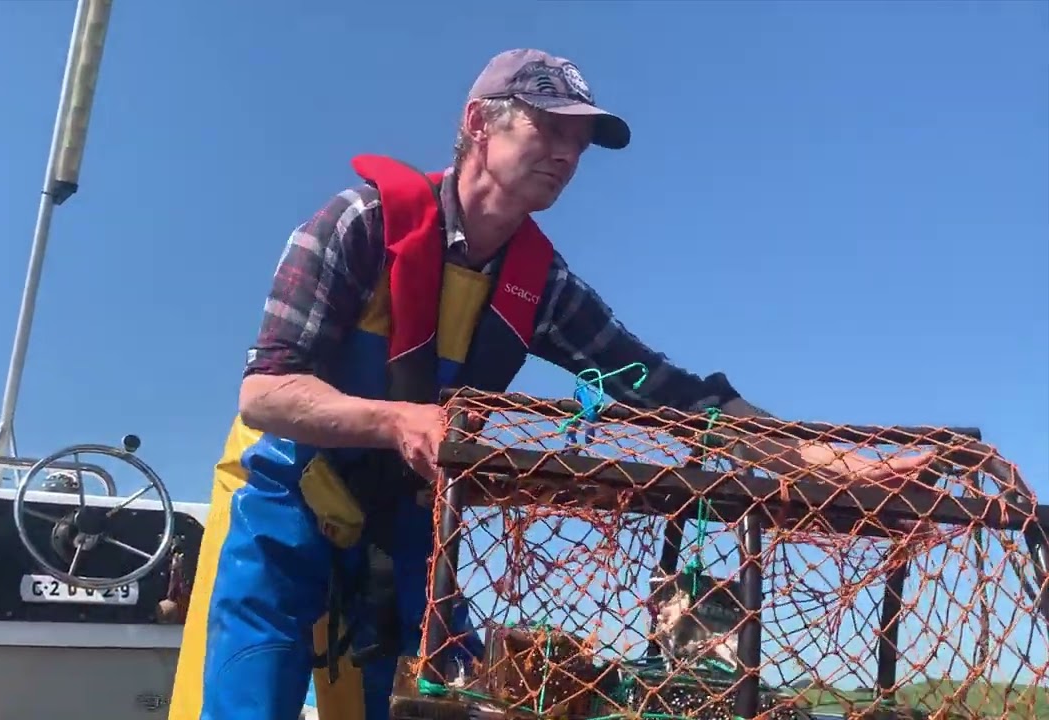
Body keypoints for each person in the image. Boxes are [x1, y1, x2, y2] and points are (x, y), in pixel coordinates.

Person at [168, 48, 934, 720]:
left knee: (410, 696)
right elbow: (264, 393)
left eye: (580, 141)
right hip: (282, 500)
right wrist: (398, 420)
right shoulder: (358, 224)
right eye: (549, 128)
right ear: (478, 122)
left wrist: (832, 463)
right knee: (248, 695)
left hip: (397, 522)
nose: (568, 153)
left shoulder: (543, 285)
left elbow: (673, 393)